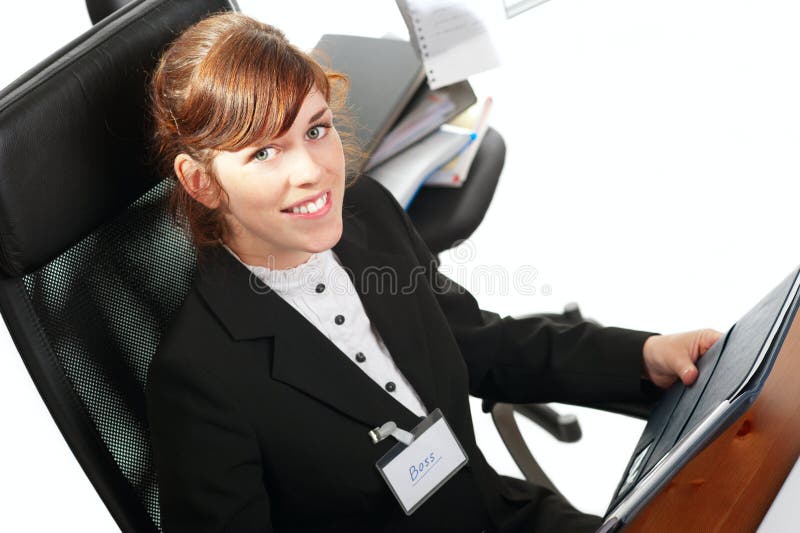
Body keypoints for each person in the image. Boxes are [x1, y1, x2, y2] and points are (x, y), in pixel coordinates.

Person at [144, 11, 721, 533]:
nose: (312, 172)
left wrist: (644, 355)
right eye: (265, 152)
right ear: (202, 182)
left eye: (315, 130)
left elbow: (480, 345)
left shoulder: (368, 213)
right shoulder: (199, 380)